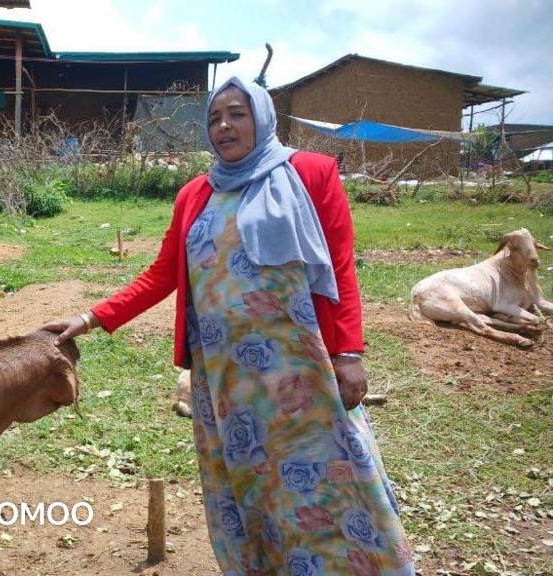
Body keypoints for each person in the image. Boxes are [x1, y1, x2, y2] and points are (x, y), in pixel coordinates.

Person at [45, 77, 414, 575]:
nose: (224, 126)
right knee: (252, 478)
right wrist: (91, 318)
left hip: (301, 371)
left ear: (261, 118)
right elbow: (162, 273)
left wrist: (349, 353)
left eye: (237, 114)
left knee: (328, 473)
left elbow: (340, 266)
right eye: (215, 118)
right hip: (226, 378)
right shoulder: (194, 195)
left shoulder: (310, 173)